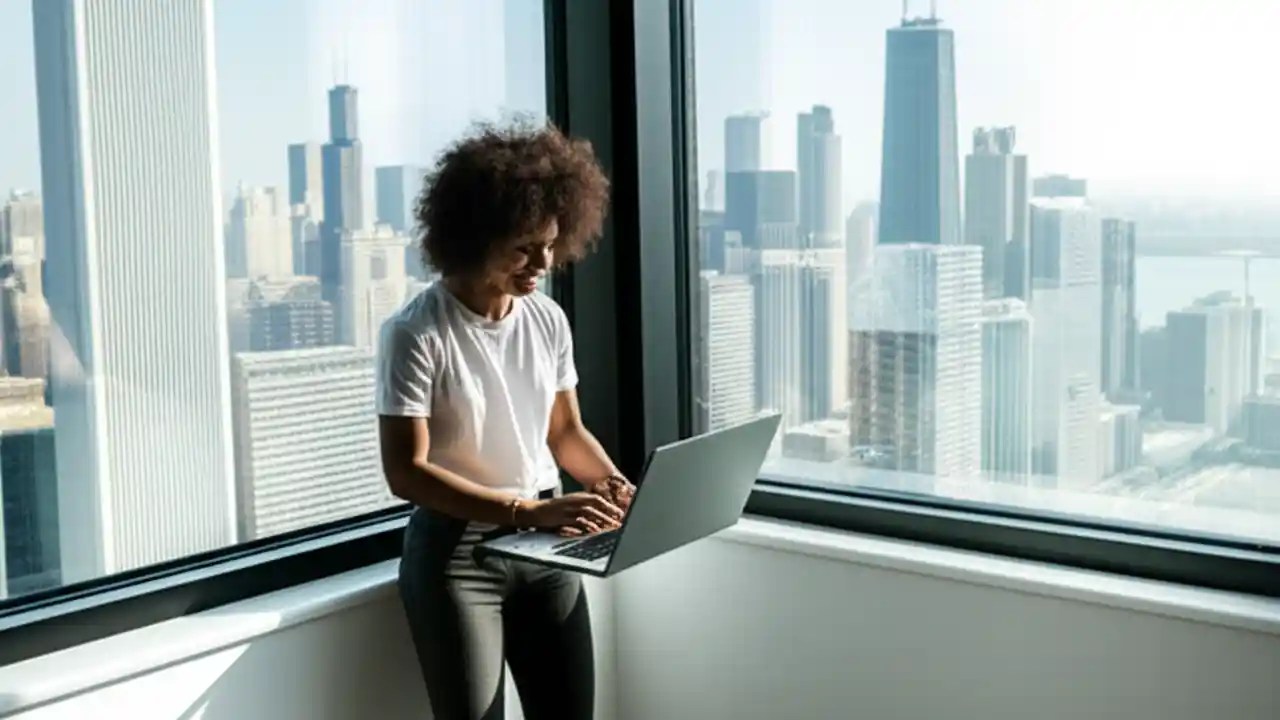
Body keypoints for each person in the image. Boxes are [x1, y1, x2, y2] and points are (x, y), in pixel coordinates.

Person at [376, 121, 633, 720]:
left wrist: (612, 484)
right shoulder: (416, 333)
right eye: (523, 247)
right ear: (472, 238)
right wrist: (525, 512)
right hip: (459, 558)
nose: (544, 261)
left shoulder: (546, 320)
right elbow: (405, 474)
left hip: (548, 547)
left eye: (549, 242)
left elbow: (565, 433)